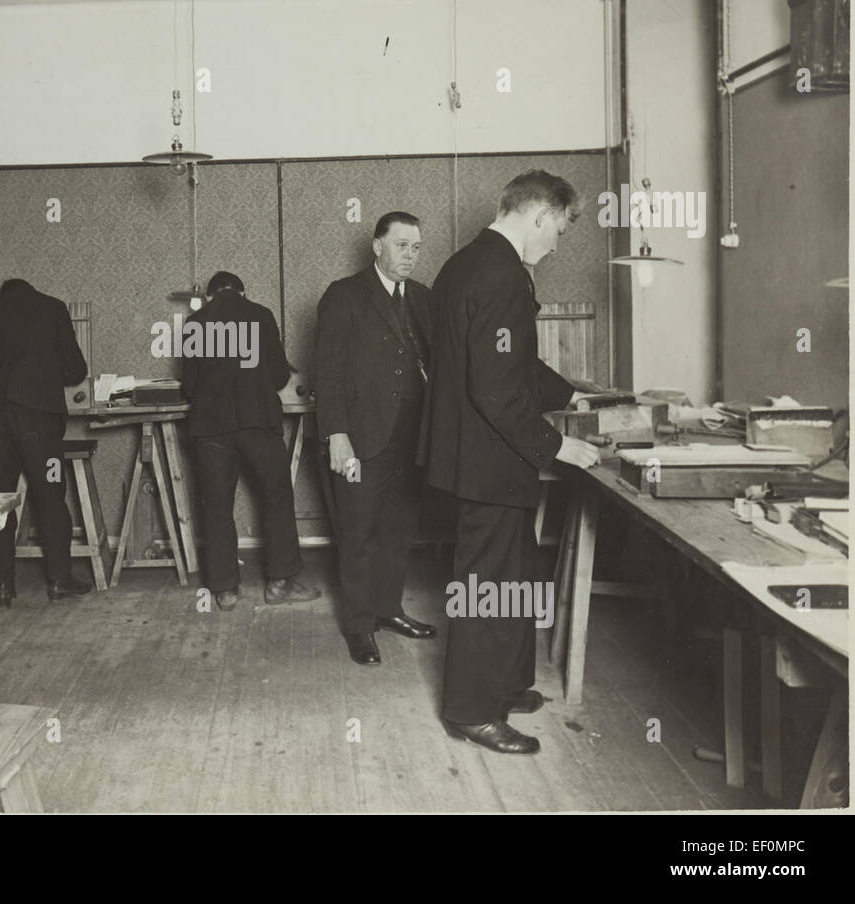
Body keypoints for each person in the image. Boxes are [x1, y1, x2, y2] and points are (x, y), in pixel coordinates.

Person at [424, 170, 600, 756]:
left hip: (477, 457)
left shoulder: (464, 264)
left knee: (514, 577)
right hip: (489, 462)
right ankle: (471, 710)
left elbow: (513, 365)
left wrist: (571, 395)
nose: (555, 247)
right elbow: (496, 389)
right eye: (559, 232)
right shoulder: (501, 275)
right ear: (541, 215)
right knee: (484, 586)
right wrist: (558, 446)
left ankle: (504, 683)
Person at [313, 211, 437, 666]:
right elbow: (327, 373)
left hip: (411, 442)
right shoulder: (344, 295)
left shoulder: (423, 299)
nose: (411, 255)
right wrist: (337, 437)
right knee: (359, 534)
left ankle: (388, 610)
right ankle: (361, 626)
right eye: (402, 245)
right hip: (360, 440)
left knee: (398, 533)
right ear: (377, 246)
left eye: (417, 247)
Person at [181, 271, 321, 611]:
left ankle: (225, 590)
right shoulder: (260, 315)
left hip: (212, 428)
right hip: (257, 422)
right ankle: (279, 584)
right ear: (242, 291)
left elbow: (189, 386)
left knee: (215, 506)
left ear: (211, 295)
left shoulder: (195, 323)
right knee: (276, 497)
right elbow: (278, 376)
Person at [0, 278, 91, 604]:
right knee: (50, 495)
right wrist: (42, 373)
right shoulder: (54, 308)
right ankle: (59, 580)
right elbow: (76, 370)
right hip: (39, 419)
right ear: (32, 289)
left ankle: (2, 587)